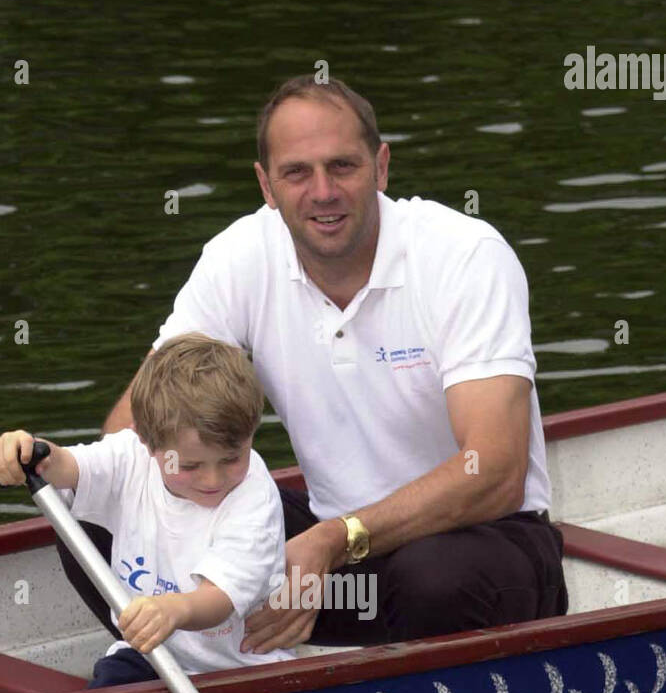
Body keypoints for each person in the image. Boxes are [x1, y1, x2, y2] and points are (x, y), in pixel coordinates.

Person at [65, 73, 568, 651]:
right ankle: (211, 669)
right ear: (266, 185)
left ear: (381, 168)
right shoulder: (241, 255)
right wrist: (207, 528)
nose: (323, 191)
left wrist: (335, 539)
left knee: (432, 579)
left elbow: (496, 473)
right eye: (297, 172)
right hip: (328, 559)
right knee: (87, 511)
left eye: (343, 166)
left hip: (481, 542)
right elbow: (132, 430)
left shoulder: (465, 256)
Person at [0, 333, 294, 686]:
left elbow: (220, 600)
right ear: (146, 441)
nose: (213, 479)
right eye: (191, 465)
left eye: (231, 458)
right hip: (151, 656)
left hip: (240, 671)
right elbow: (67, 466)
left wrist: (174, 610)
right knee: (109, 686)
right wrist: (27, 450)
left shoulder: (254, 498)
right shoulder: (130, 455)